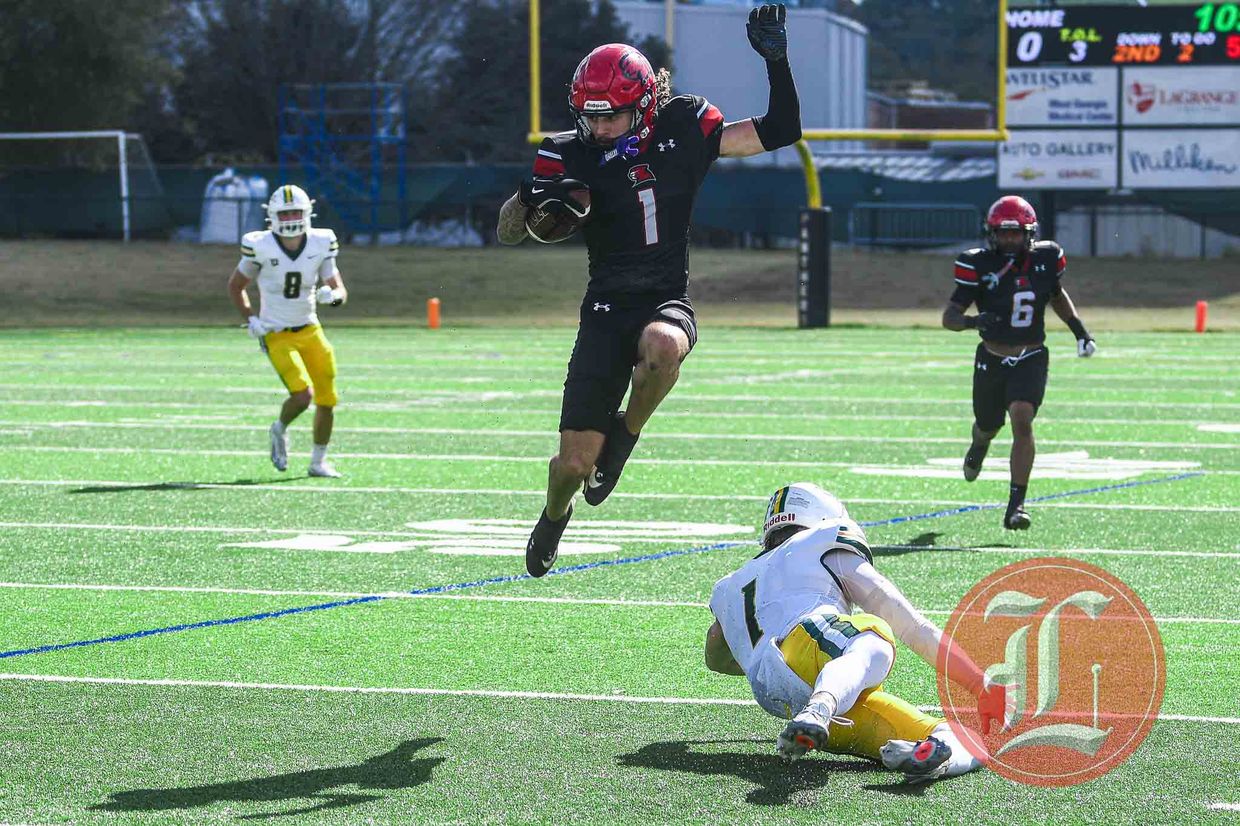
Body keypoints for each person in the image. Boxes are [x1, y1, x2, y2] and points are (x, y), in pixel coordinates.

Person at [497, 5, 804, 577]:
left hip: (665, 297)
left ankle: (625, 435)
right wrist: (529, 196)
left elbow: (780, 130)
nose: (598, 129)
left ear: (643, 105)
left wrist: (777, 63)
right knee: (570, 466)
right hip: (605, 309)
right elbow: (510, 232)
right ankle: (554, 515)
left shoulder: (684, 125)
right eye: (590, 117)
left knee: (663, 346)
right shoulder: (566, 150)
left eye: (610, 117)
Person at [705, 483, 1009, 782]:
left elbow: (716, 658)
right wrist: (978, 683)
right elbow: (912, 626)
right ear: (823, 516)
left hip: (783, 696)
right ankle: (820, 708)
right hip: (814, 653)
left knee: (963, 738)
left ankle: (928, 758)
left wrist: (778, 660)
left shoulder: (731, 584)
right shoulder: (820, 542)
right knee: (875, 633)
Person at [942, 195, 1097, 530]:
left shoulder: (1046, 258)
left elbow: (1057, 296)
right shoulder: (978, 264)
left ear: (1029, 233)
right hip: (992, 356)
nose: (1009, 240)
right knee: (988, 425)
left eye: (1015, 233)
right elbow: (949, 317)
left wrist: (1080, 332)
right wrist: (974, 322)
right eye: (1003, 233)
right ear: (992, 233)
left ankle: (1016, 505)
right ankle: (979, 444)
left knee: (1022, 419)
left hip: (1031, 354)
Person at [227, 184, 348, 478]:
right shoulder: (260, 244)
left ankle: (318, 462)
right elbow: (236, 286)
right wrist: (250, 318)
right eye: (285, 213)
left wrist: (332, 297)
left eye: (295, 212)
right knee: (302, 395)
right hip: (276, 332)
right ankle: (279, 429)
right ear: (272, 216)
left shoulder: (321, 241)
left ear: (307, 213)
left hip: (310, 329)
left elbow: (340, 290)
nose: (291, 218)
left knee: (328, 399)